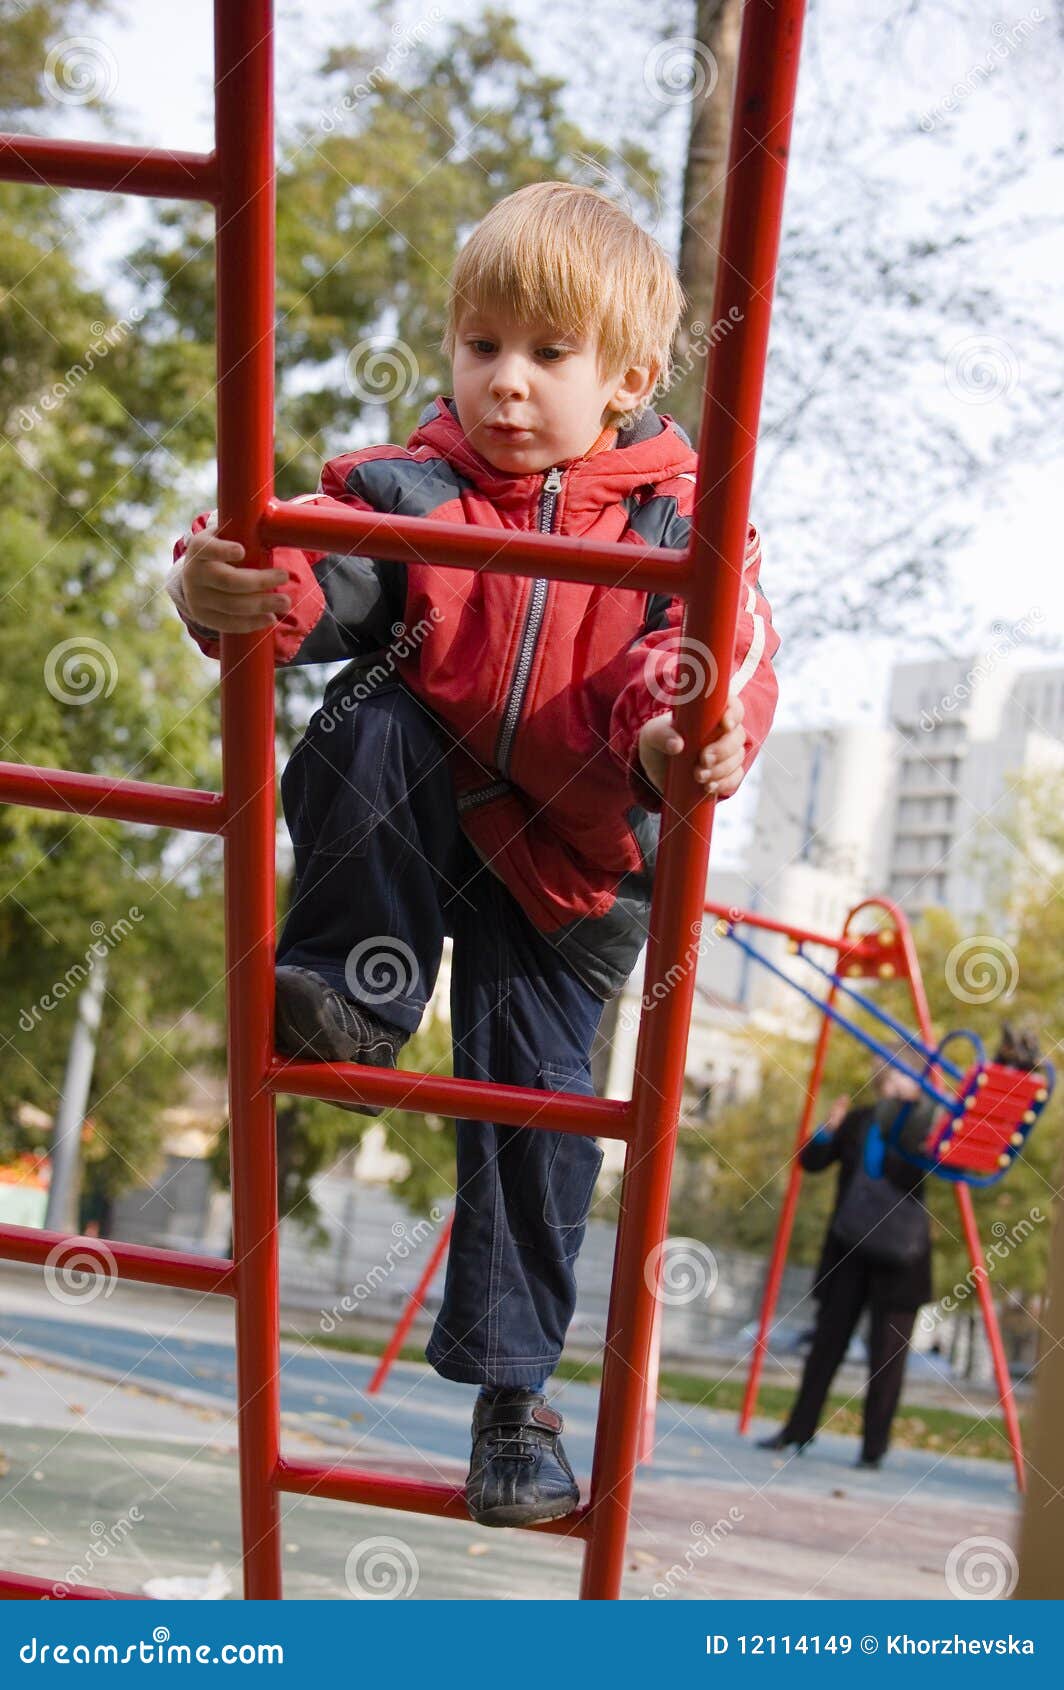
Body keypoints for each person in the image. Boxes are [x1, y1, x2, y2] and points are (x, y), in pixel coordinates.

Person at [166, 181, 780, 1525]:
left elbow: (702, 658)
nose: (504, 383)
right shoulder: (420, 487)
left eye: (546, 355)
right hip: (437, 817)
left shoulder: (680, 526)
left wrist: (682, 743)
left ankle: (516, 1403)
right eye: (480, 343)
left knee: (538, 1111)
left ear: (626, 378)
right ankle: (351, 986)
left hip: (572, 872)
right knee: (366, 718)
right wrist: (227, 588)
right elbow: (312, 571)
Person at [758, 1053, 935, 1470]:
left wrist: (914, 1112)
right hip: (850, 1250)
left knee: (887, 1358)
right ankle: (798, 1430)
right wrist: (826, 1132)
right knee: (825, 1345)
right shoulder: (860, 1121)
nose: (892, 1083)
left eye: (902, 1076)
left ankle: (874, 1448)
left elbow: (916, 1173)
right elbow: (812, 1162)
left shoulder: (924, 1125)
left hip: (900, 1258)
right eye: (887, 1076)